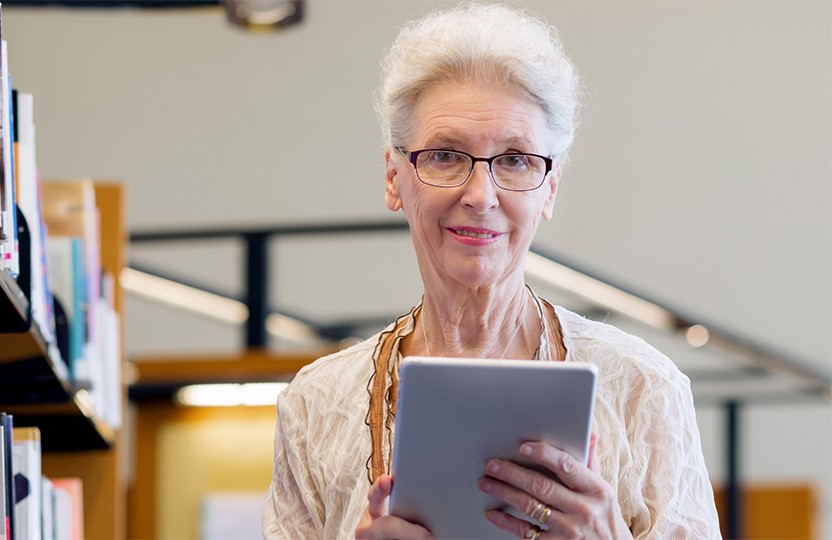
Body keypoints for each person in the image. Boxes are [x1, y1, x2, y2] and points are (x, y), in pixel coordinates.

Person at [262, 3, 721, 539]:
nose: (481, 196)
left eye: (515, 160)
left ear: (549, 188)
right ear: (394, 177)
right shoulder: (317, 406)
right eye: (445, 156)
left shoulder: (642, 390)